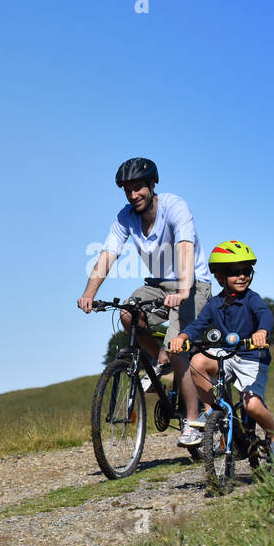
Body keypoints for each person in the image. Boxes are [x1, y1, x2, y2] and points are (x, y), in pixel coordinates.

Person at [78, 157, 214, 446]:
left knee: (179, 346)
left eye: (138, 187)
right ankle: (159, 358)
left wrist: (184, 290)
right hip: (158, 285)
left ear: (153, 185)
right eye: (127, 190)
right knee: (128, 314)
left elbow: (185, 247)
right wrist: (88, 293)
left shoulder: (175, 206)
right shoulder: (125, 216)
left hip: (193, 282)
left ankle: (192, 420)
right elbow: (107, 255)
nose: (133, 195)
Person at [169, 241, 274, 461]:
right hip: (227, 355)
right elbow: (198, 325)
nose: (242, 276)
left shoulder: (252, 299)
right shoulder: (214, 303)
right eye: (235, 272)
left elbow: (265, 315)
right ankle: (213, 409)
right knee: (196, 361)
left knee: (251, 405)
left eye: (247, 271)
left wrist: (261, 331)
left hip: (252, 357)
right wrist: (182, 337)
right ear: (220, 277)